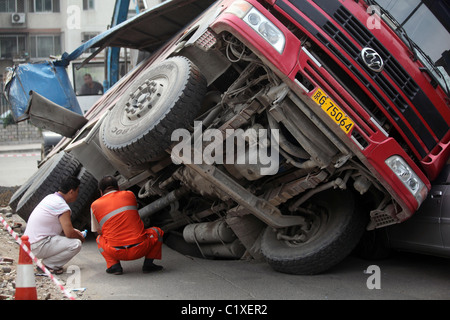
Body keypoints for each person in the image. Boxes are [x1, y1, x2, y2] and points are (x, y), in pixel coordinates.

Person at [90, 175, 164, 275]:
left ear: (101, 192)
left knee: (99, 239)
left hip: (116, 252)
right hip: (140, 248)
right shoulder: (130, 195)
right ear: (118, 187)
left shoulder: (94, 205)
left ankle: (114, 266)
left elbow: (98, 231)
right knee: (157, 231)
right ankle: (148, 265)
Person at [24, 176, 85, 274]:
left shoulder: (50, 198)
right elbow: (69, 233)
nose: (77, 194)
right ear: (71, 192)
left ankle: (47, 263)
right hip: (38, 246)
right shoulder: (62, 206)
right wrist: (80, 237)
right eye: (77, 191)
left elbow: (61, 227)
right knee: (76, 244)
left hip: (29, 243)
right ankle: (48, 265)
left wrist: (75, 231)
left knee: (69, 237)